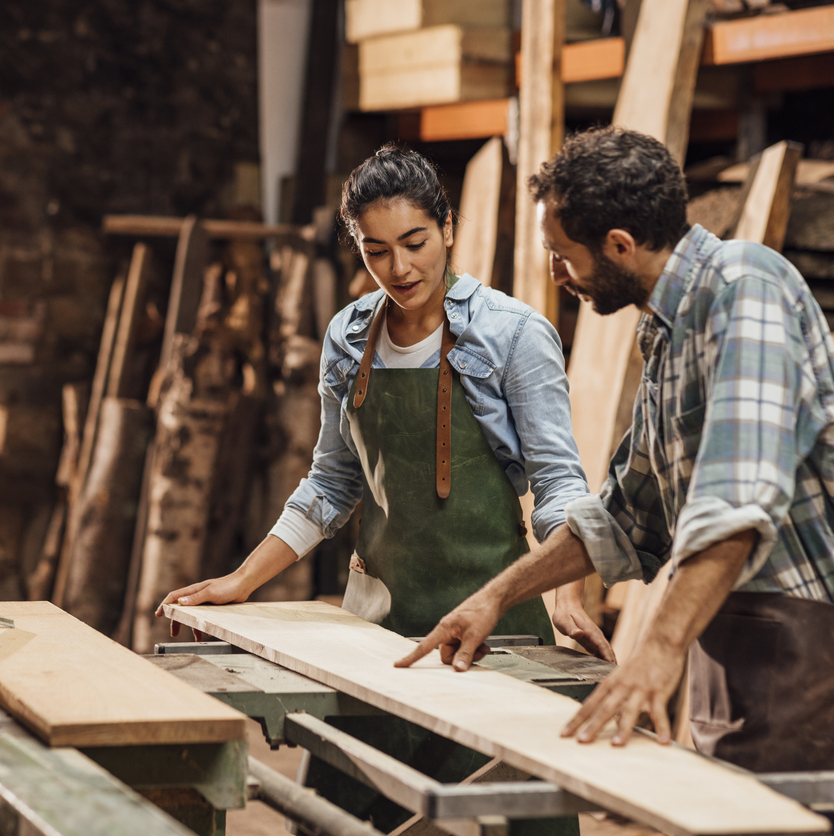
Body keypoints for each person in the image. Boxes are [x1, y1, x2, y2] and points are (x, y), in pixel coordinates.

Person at [397, 126, 834, 773]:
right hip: (728, 634)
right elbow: (623, 518)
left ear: (618, 246)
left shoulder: (743, 289)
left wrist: (657, 648)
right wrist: (493, 597)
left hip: (799, 642)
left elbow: (735, 509)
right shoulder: (665, 331)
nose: (555, 274)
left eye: (561, 255)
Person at [156, 144, 609, 831]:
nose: (398, 269)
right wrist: (241, 582)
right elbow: (330, 484)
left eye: (414, 242)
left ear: (448, 229)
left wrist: (568, 591)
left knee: (499, 813)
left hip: (490, 637)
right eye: (374, 251)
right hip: (375, 641)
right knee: (340, 817)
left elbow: (556, 482)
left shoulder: (514, 335)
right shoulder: (346, 337)